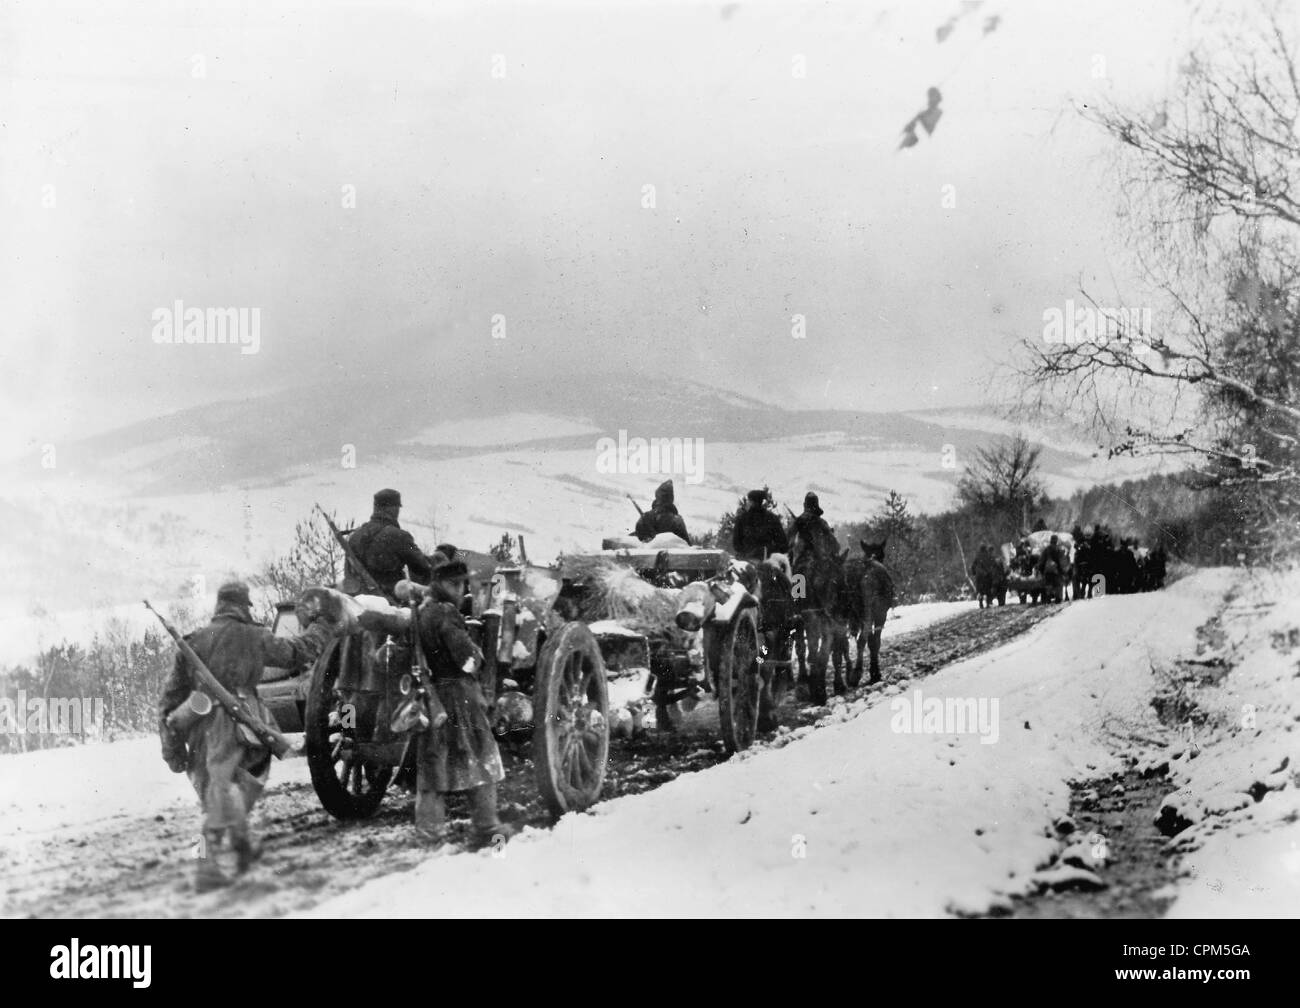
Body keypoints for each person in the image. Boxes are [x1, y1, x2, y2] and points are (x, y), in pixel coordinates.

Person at [158, 581, 340, 891]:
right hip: (241, 725)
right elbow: (298, 652)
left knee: (221, 795)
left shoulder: (194, 642)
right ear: (243, 607)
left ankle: (239, 851)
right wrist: (323, 625)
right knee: (225, 798)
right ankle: (202, 866)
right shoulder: (253, 636)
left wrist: (172, 749)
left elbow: (168, 702)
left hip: (202, 728)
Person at [366, 553, 514, 848]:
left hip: (430, 698)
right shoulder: (446, 613)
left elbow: (396, 657)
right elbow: (467, 658)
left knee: (432, 770)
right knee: (482, 761)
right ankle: (487, 828)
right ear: (451, 585)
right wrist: (478, 659)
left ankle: (429, 837)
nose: (463, 592)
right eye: (460, 586)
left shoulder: (418, 614)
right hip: (460, 697)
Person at [347, 488, 434, 596]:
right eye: (397, 508)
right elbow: (423, 566)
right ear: (393, 509)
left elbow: (349, 573)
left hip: (357, 597)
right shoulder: (400, 536)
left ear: (376, 507)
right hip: (391, 600)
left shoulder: (354, 537)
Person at [732, 489, 789, 562]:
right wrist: (770, 551)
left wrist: (746, 552)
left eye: (748, 501)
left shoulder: (742, 519)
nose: (747, 503)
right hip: (768, 562)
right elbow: (783, 544)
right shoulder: (772, 518)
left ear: (751, 502)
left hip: (745, 562)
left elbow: (736, 544)